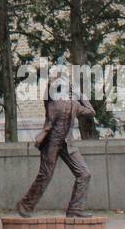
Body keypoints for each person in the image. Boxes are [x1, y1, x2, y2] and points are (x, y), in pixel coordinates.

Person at [16, 69, 95, 218]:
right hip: (51, 142)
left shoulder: (73, 104)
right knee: (45, 175)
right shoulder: (51, 100)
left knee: (84, 174)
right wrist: (57, 76)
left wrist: (80, 94)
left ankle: (75, 209)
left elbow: (91, 111)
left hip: (67, 144)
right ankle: (25, 205)